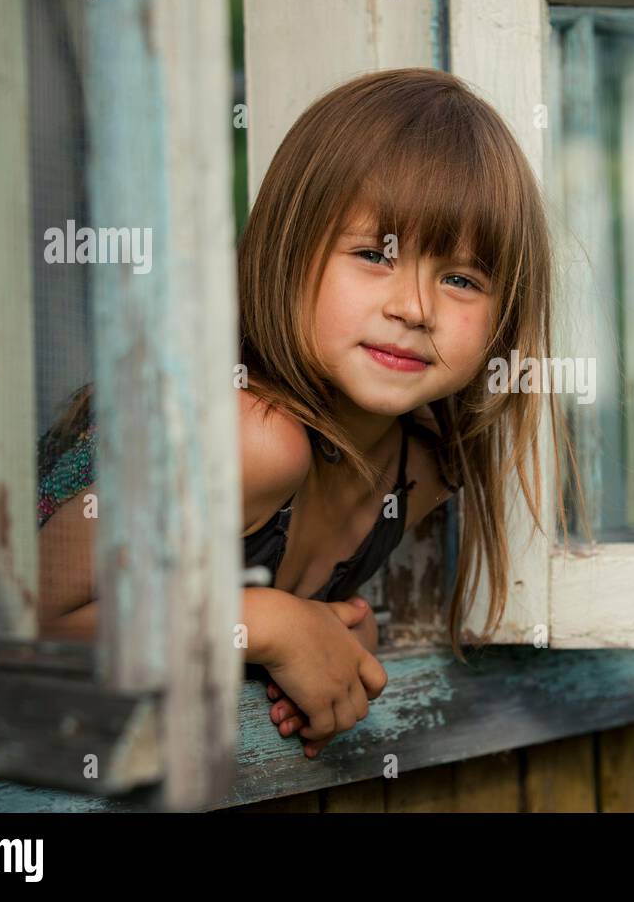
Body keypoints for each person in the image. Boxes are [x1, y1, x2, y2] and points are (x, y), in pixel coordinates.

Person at [35, 67, 590, 758]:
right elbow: (20, 620)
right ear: (287, 254)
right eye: (371, 255)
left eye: (460, 279)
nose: (414, 308)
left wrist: (332, 633)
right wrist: (265, 624)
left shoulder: (417, 470)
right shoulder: (249, 439)